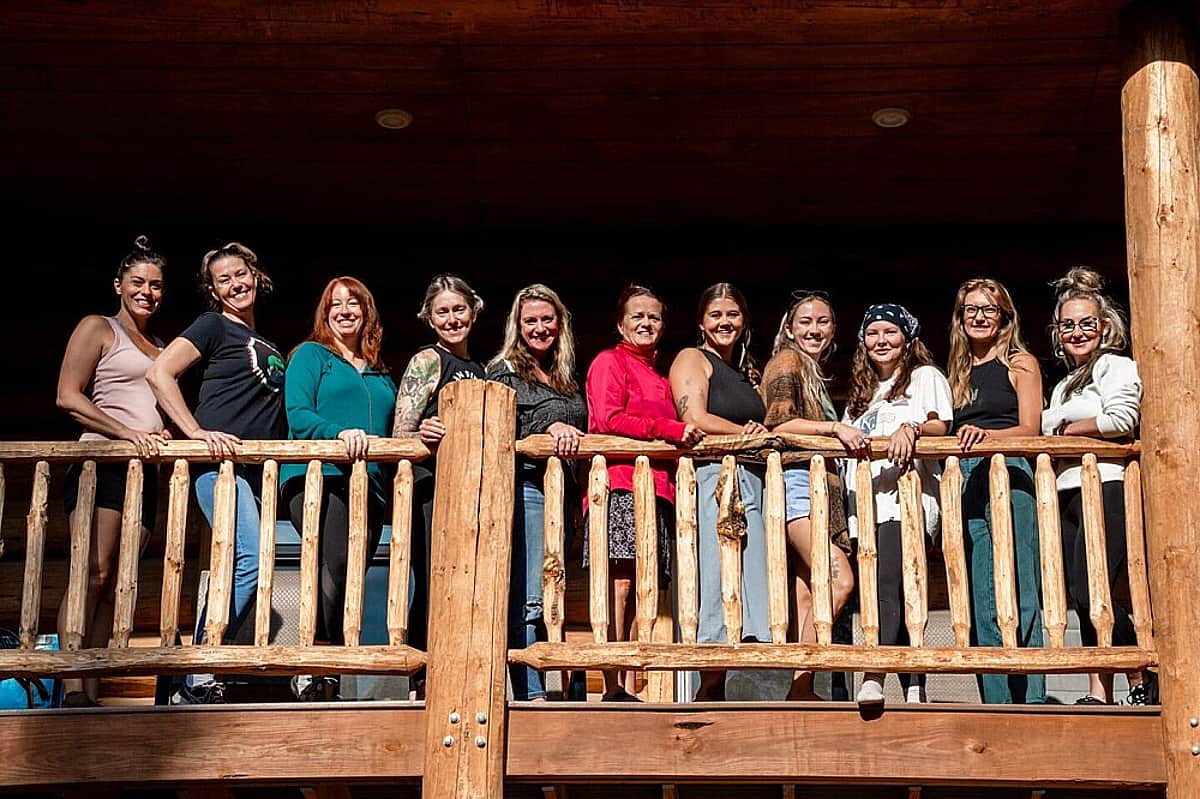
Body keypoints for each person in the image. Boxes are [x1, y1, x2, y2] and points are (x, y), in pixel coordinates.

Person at [147, 242, 285, 704]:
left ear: (256, 276)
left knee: (246, 560)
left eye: (240, 274)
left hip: (251, 469)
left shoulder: (267, 343)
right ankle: (201, 670)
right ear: (213, 289)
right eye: (223, 279)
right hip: (218, 466)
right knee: (248, 558)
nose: (235, 284)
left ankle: (188, 676)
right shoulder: (211, 325)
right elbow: (160, 374)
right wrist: (197, 433)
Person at [54, 236, 170, 707]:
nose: (147, 291)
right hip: (100, 463)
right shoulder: (99, 327)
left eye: (157, 285)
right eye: (138, 282)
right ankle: (71, 685)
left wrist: (159, 434)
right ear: (119, 283)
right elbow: (69, 396)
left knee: (119, 580)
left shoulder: (161, 344)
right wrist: (125, 433)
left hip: (144, 472)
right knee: (93, 573)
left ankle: (93, 686)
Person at [280, 277, 397, 700]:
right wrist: (338, 433)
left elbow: (394, 424)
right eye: (335, 303)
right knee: (334, 564)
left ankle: (334, 671)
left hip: (372, 487)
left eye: (354, 303)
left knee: (352, 575)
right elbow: (298, 414)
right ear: (324, 312)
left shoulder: (381, 371)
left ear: (367, 312)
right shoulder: (311, 356)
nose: (345, 310)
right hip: (321, 478)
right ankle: (317, 667)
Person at [586, 285, 703, 701]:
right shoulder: (609, 362)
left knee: (644, 587)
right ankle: (612, 683)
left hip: (658, 492)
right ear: (621, 324)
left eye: (653, 317)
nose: (646, 323)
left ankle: (631, 683)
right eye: (637, 316)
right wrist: (669, 431)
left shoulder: (658, 375)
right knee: (618, 585)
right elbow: (608, 418)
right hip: (619, 485)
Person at [1041, 267, 1149, 705]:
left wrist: (1070, 431)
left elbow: (1122, 419)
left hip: (1103, 485)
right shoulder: (1065, 384)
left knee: (1095, 586)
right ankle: (1098, 690)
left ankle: (1140, 676)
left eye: (1087, 323)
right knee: (1081, 592)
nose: (1077, 332)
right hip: (1067, 490)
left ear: (1105, 328)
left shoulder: (1114, 365)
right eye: (1068, 325)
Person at [843, 304, 951, 705]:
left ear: (907, 338)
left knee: (887, 585)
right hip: (866, 504)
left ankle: (874, 673)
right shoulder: (862, 396)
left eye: (890, 332)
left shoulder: (924, 377)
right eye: (873, 334)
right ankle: (914, 680)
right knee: (895, 586)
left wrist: (913, 426)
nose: (881, 341)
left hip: (905, 498)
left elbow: (942, 425)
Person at [947, 277, 1045, 704]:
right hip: (969, 478)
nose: (980, 317)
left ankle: (1033, 696)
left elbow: (1030, 429)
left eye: (989, 309)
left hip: (1011, 472)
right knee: (981, 590)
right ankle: (997, 699)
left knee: (1021, 585)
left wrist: (988, 438)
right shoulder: (957, 372)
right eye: (971, 309)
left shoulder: (1020, 363)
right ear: (960, 318)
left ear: (1005, 316)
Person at [487, 284, 587, 701]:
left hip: (564, 493)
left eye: (548, 319)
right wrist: (548, 429)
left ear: (560, 324)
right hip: (528, 486)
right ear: (517, 325)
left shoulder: (566, 377)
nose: (540, 327)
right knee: (530, 591)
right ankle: (530, 690)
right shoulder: (503, 371)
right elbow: (497, 425)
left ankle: (569, 683)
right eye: (531, 320)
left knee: (557, 587)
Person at [669, 283, 768, 701]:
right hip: (712, 479)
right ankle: (708, 689)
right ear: (701, 323)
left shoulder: (745, 372)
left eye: (732, 314)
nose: (725, 322)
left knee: (747, 582)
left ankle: (732, 686)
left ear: (743, 321)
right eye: (716, 315)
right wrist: (747, 435)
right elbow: (693, 415)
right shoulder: (693, 358)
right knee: (714, 577)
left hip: (750, 482)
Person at [760, 291, 860, 701]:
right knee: (840, 581)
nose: (814, 329)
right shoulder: (787, 363)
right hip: (797, 484)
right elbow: (778, 424)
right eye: (805, 321)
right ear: (789, 327)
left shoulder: (812, 371)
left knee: (808, 590)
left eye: (822, 321)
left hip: (814, 489)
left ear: (833, 330)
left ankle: (802, 689)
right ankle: (800, 683)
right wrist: (835, 430)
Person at [391, 274, 485, 694]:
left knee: (466, 579)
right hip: (432, 488)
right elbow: (399, 434)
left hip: (470, 491)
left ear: (474, 311)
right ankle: (423, 676)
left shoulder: (480, 369)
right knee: (433, 579)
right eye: (442, 311)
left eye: (458, 309)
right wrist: (421, 434)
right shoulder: (428, 360)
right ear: (429, 318)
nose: (452, 319)